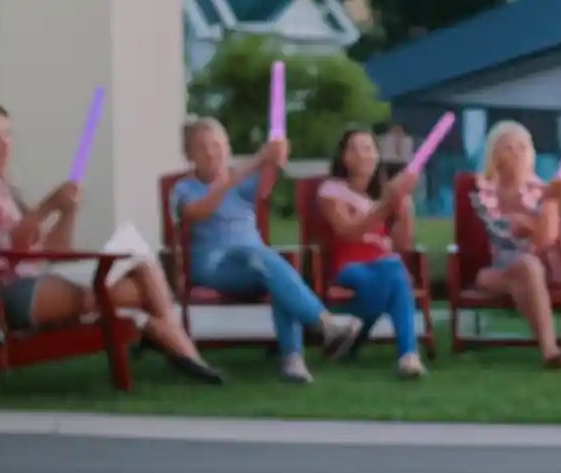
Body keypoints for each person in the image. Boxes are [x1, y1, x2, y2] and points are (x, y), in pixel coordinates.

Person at [0, 101, 225, 385]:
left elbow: (54, 250)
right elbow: (9, 243)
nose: (5, 143)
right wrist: (48, 205)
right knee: (145, 283)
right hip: (18, 292)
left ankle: (182, 351)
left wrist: (68, 210)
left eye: (8, 134)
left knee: (144, 273)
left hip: (33, 284)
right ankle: (187, 354)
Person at [170, 117, 360, 384]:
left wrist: (275, 157)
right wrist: (255, 161)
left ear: (228, 148)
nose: (211, 152)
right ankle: (322, 326)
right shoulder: (182, 189)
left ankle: (294, 360)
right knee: (264, 259)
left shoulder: (243, 181)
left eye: (216, 145)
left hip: (255, 262)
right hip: (215, 266)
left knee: (272, 267)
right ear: (188, 154)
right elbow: (202, 210)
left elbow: (269, 177)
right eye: (202, 147)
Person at [317, 127, 425, 378]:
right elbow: (347, 233)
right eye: (354, 149)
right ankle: (405, 351)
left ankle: (401, 353)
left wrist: (405, 205)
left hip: (385, 264)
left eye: (368, 149)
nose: (362, 155)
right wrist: (386, 204)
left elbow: (404, 245)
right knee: (395, 272)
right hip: (350, 266)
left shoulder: (385, 193)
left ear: (377, 156)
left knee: (394, 269)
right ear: (344, 157)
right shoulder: (331, 190)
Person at [470, 121, 561, 368]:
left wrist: (550, 204)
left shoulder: (543, 191)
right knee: (522, 269)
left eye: (522, 147)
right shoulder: (482, 192)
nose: (516, 153)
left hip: (533, 269)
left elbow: (546, 240)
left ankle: (549, 351)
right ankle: (549, 348)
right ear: (494, 156)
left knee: (528, 268)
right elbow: (504, 233)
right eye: (508, 147)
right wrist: (528, 222)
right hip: (496, 270)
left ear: (532, 154)